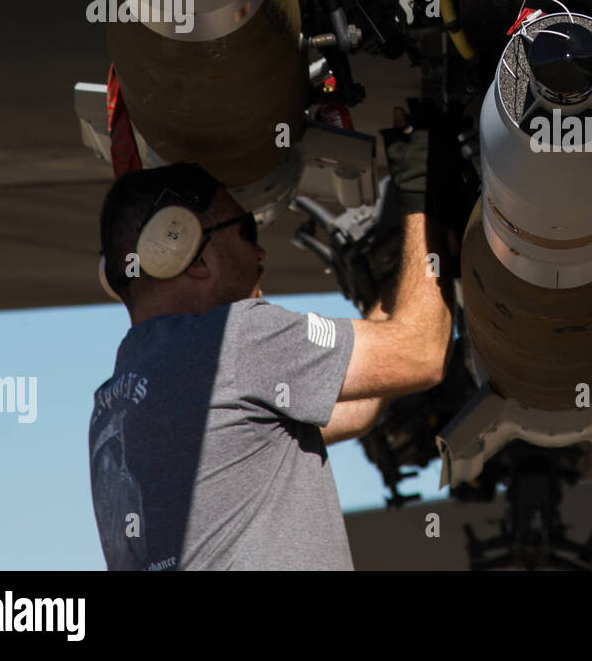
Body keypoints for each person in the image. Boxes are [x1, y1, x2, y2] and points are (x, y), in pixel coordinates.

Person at [89, 112, 453, 570]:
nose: (260, 254)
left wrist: (400, 277)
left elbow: (356, 405)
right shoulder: (231, 341)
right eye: (246, 232)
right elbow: (420, 355)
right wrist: (423, 203)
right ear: (186, 250)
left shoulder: (120, 400)